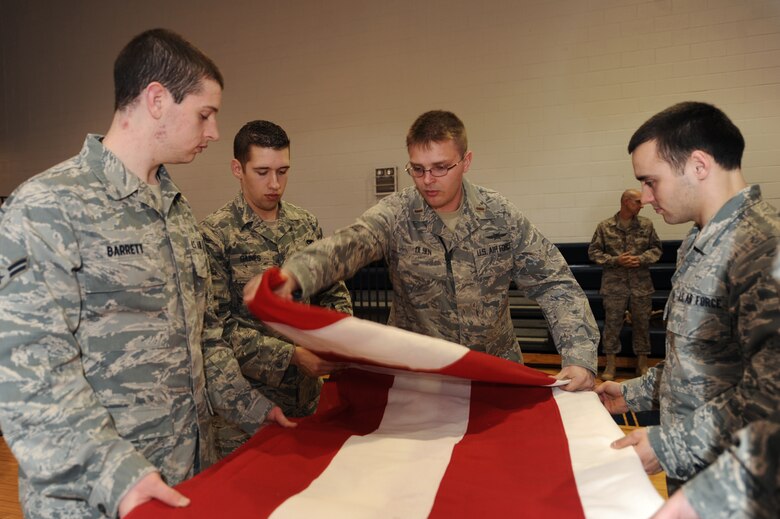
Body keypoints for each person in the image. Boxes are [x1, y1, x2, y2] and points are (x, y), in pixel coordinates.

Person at [0, 29, 291, 519]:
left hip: (187, 479)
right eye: (205, 113)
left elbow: (204, 338)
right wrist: (120, 477)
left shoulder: (175, 213)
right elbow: (27, 375)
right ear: (156, 99)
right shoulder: (48, 207)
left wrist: (254, 410)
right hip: (102, 496)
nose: (215, 131)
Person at [245, 110, 599, 390]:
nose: (428, 180)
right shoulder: (398, 213)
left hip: (495, 372)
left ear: (466, 160)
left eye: (441, 168)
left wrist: (579, 355)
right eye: (417, 169)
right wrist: (295, 273)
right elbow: (352, 241)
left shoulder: (499, 215)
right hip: (421, 378)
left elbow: (554, 282)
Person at [596, 101, 780, 495]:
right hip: (698, 475)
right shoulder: (700, 242)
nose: (644, 197)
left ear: (698, 165)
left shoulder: (764, 249)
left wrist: (669, 445)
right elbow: (702, 360)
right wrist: (630, 394)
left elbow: (772, 396)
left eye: (650, 181)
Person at [200, 120, 352, 458]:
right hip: (248, 409)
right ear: (237, 169)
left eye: (283, 171)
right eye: (263, 171)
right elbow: (217, 328)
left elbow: (332, 291)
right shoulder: (215, 236)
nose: (275, 184)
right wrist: (292, 356)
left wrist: (339, 337)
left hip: (309, 399)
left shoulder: (306, 224)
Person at [588, 189, 662, 379]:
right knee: (612, 325)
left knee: (642, 325)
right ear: (626, 201)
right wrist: (615, 260)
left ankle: (642, 365)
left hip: (641, 285)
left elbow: (656, 249)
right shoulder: (605, 227)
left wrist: (641, 259)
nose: (641, 205)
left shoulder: (646, 224)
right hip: (614, 287)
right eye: (637, 201)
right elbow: (594, 252)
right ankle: (610, 366)